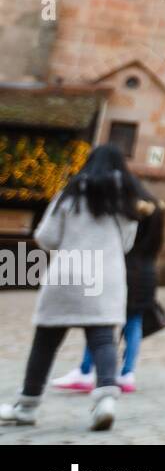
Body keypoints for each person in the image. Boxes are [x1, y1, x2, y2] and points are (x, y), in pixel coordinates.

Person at [0, 144, 145, 431]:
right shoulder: (127, 201)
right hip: (105, 274)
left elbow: (46, 236)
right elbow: (127, 244)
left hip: (69, 271)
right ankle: (105, 400)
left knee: (45, 342)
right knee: (104, 338)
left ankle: (27, 405)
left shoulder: (69, 194)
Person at [51, 194, 165, 394]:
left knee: (101, 323)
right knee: (134, 324)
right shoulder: (158, 213)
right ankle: (127, 374)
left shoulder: (131, 212)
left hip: (126, 272)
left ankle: (86, 370)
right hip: (147, 273)